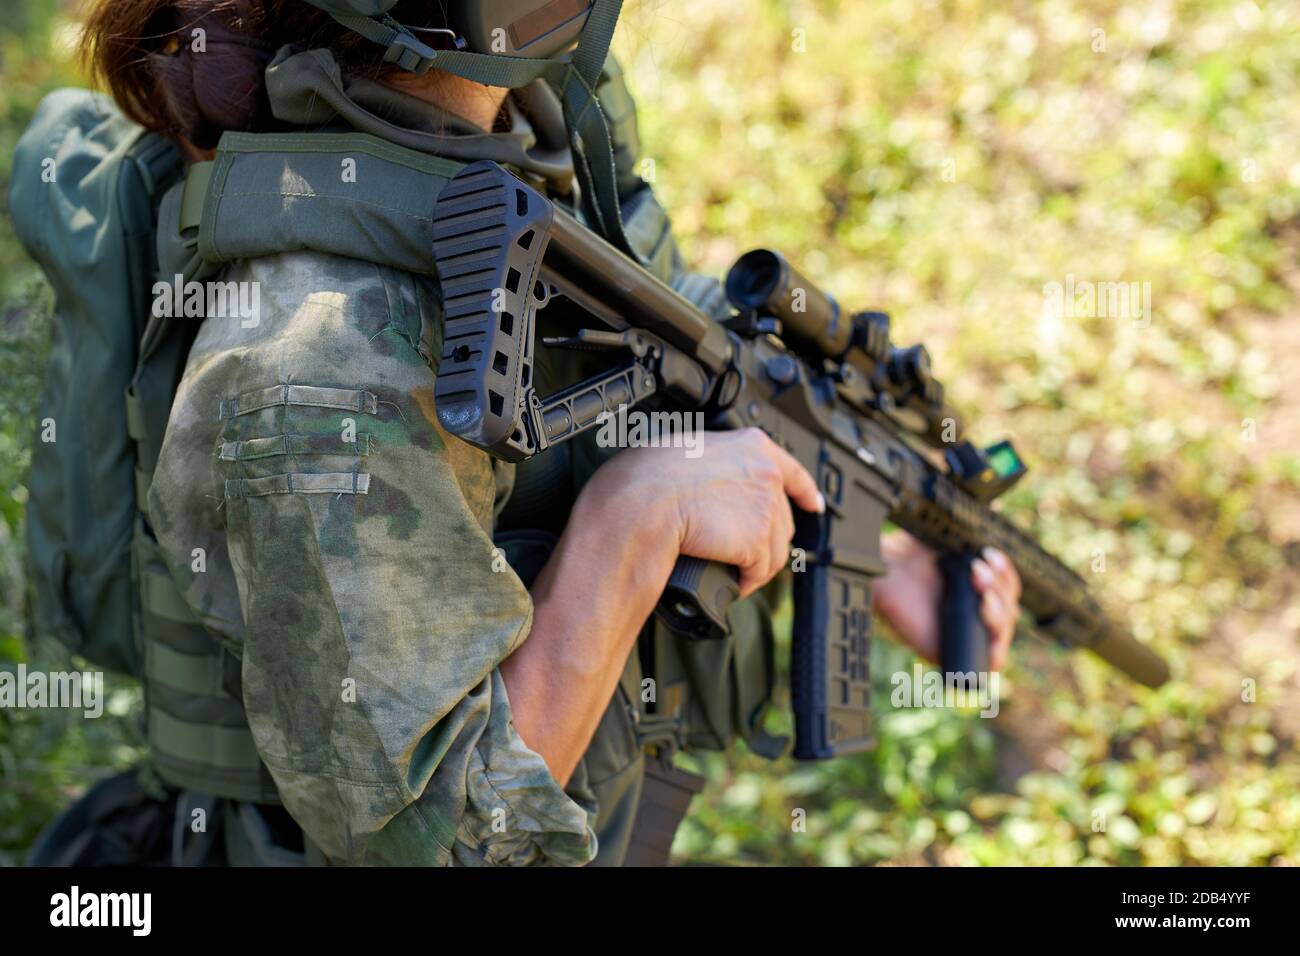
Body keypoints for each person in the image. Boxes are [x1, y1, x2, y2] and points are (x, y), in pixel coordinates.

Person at [76, 0, 1022, 866]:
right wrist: (635, 523)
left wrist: (846, 540)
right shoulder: (322, 358)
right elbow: (450, 854)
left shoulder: (519, 102)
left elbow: (628, 364)